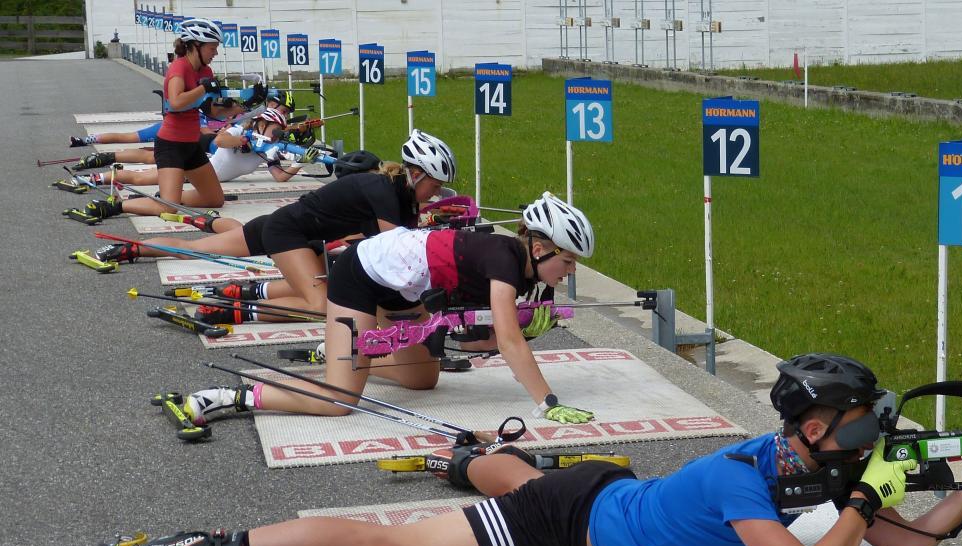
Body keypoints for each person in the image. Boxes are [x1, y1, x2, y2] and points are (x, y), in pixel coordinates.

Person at [99, 353, 962, 546]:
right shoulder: (745, 483)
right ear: (814, 430)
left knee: (514, 474)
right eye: (859, 430)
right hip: (570, 519)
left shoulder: (802, 468)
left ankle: (464, 460)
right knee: (380, 544)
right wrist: (869, 493)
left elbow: (911, 538)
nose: (869, 442)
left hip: (603, 486)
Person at [179, 189, 598, 427]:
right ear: (540, 248)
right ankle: (236, 396)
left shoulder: (525, 271)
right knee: (339, 400)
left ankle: (342, 353)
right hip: (360, 275)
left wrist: (526, 332)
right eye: (568, 262)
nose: (569, 272)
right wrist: (547, 401)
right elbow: (506, 342)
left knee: (422, 378)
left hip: (402, 290)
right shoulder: (504, 262)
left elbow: (476, 342)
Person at [88, 131, 448, 318]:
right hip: (290, 233)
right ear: (415, 175)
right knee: (323, 304)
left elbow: (385, 241)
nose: (438, 192)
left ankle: (132, 249)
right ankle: (238, 310)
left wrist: (436, 225)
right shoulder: (381, 188)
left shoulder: (403, 202)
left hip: (294, 230)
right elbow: (394, 248)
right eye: (435, 185)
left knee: (197, 250)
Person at [76, 18, 226, 221]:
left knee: (214, 199)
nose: (215, 53)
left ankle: (165, 198)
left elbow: (211, 111)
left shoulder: (206, 72)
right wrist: (204, 88)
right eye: (212, 48)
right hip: (171, 145)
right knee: (168, 209)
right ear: (195, 46)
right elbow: (175, 102)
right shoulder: (178, 68)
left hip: (191, 145)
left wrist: (246, 106)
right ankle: (115, 206)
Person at [62, 109, 315, 189]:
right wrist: (245, 140)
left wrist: (301, 162)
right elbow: (221, 141)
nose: (275, 136)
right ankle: (91, 178)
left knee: (148, 166)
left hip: (204, 178)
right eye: (274, 130)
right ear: (261, 124)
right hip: (196, 164)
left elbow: (280, 177)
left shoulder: (266, 150)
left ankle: (97, 172)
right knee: (143, 176)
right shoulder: (242, 133)